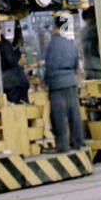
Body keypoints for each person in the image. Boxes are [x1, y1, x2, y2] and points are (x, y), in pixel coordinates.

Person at [42, 15, 84, 152]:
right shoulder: (70, 43)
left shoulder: (52, 44)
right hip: (71, 82)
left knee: (58, 115)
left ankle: (62, 145)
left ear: (55, 27)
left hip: (57, 84)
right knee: (74, 113)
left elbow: (50, 65)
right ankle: (78, 142)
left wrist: (46, 81)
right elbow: (75, 62)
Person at [0, 26, 31, 104]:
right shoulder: (4, 44)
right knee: (21, 106)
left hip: (4, 81)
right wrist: (17, 53)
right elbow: (11, 61)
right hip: (14, 82)